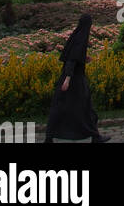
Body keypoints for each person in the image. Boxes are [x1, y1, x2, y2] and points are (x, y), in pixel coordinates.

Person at [44, 14, 109, 143]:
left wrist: (83, 59)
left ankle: (50, 137)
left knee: (66, 108)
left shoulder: (77, 36)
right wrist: (67, 79)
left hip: (73, 78)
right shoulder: (81, 38)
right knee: (82, 108)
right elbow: (71, 60)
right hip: (74, 80)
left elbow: (74, 56)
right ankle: (94, 136)